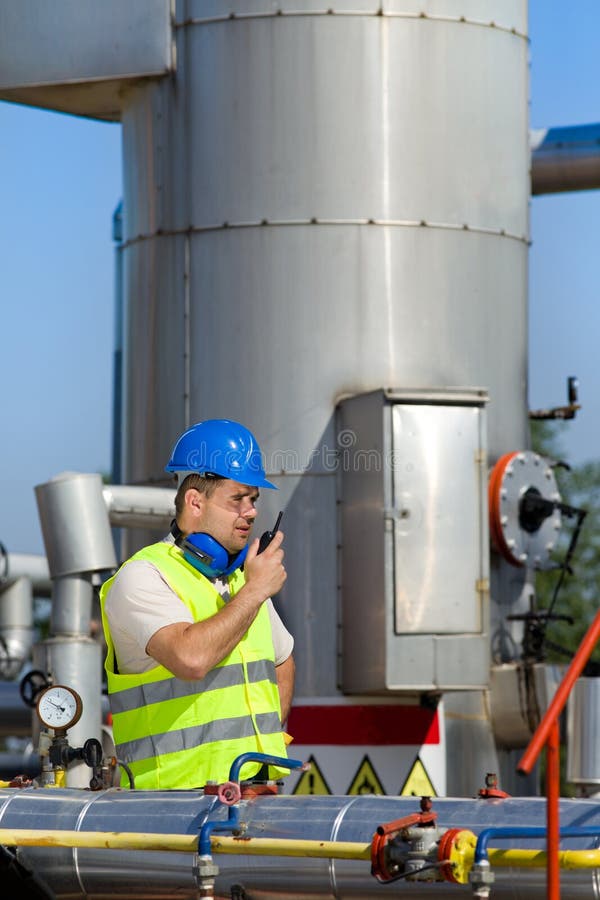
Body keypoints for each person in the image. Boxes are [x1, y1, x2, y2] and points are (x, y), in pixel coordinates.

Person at [100, 419, 295, 790]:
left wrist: (264, 751)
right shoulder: (142, 576)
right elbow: (191, 660)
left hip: (248, 795)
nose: (251, 512)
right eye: (237, 499)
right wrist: (255, 592)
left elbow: (283, 661)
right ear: (194, 502)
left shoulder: (239, 579)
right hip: (168, 809)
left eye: (253, 499)